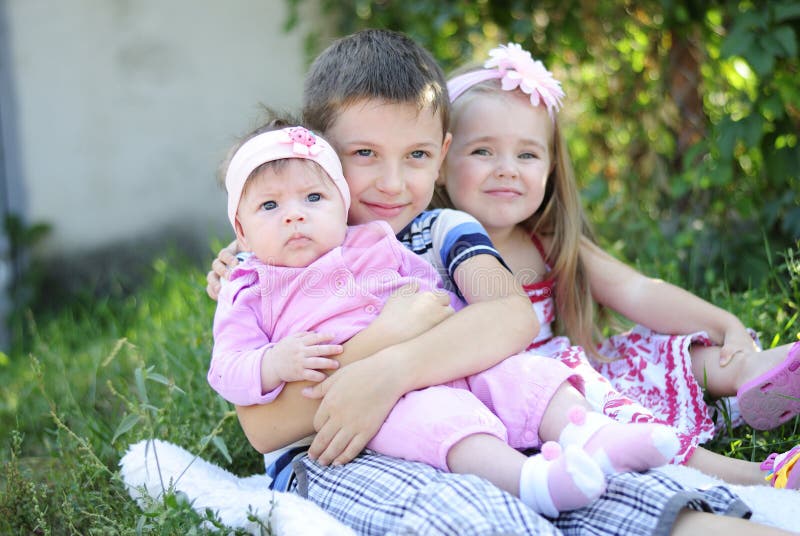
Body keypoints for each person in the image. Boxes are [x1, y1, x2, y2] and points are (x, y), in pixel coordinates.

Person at [206, 28, 792, 535]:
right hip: (339, 452)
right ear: (319, 155)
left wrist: (394, 371)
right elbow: (266, 424)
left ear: (439, 155)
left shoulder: (438, 231)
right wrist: (386, 344)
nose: (391, 183)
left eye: (413, 156)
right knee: (467, 511)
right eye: (363, 153)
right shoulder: (267, 263)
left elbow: (507, 315)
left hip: (467, 423)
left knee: (616, 492)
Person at [210, 119, 683, 516]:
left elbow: (439, 297)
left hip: (436, 362)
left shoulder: (375, 241)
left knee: (522, 374)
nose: (294, 216)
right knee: (442, 420)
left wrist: (443, 331)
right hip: (381, 408)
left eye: (313, 199)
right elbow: (228, 369)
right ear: (241, 230)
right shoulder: (251, 288)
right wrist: (273, 362)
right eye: (270, 206)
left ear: (340, 202)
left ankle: (593, 435)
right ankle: (528, 481)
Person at [432, 42, 800, 489]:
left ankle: (754, 370)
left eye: (527, 155)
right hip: (532, 403)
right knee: (618, 417)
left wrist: (725, 325)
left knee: (657, 353)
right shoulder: (428, 251)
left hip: (580, 373)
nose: (507, 169)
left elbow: (637, 291)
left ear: (550, 169)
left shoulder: (546, 244)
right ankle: (764, 477)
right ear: (440, 161)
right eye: (482, 152)